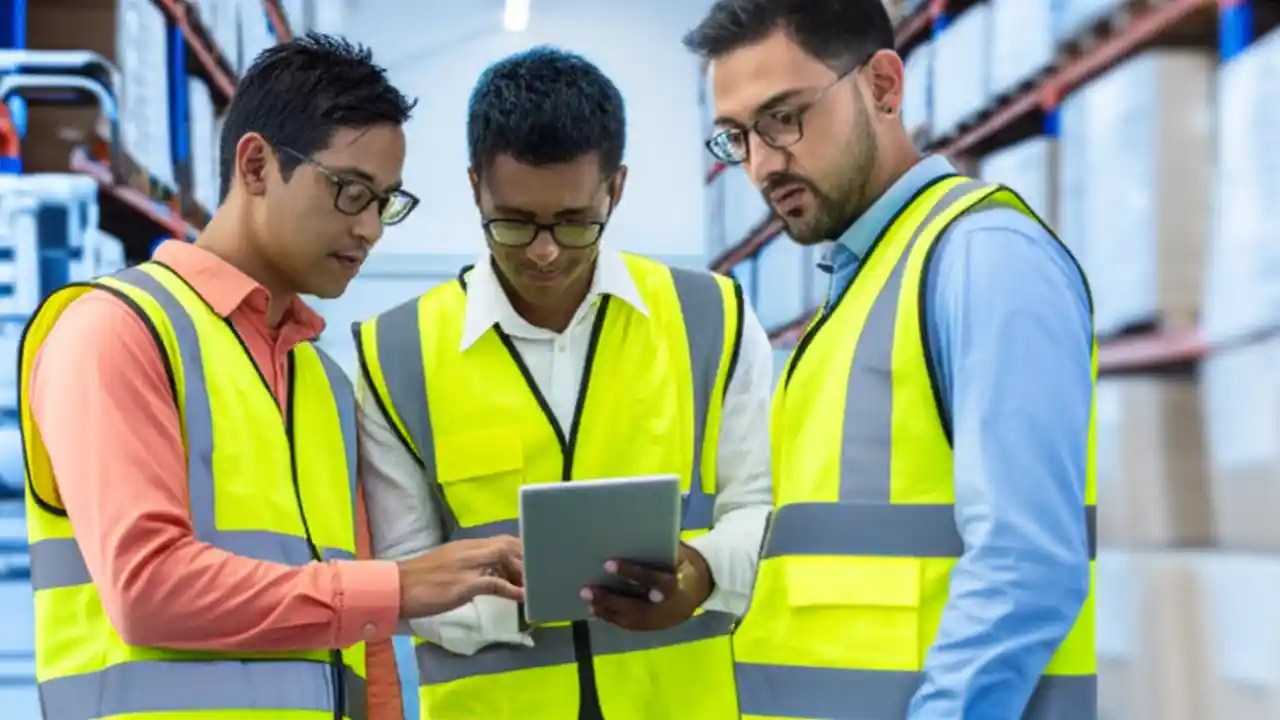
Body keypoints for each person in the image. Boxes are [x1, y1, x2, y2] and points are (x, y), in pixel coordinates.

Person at [19, 32, 524, 720]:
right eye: (351, 191)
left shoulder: (321, 379)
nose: (372, 228)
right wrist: (396, 588)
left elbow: (365, 645)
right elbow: (146, 589)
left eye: (386, 202)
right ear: (256, 165)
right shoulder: (118, 333)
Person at [683, 2, 1097, 719]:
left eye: (784, 117)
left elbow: (1027, 569)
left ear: (883, 86)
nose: (761, 164)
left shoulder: (982, 257)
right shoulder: (860, 287)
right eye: (736, 138)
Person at [353, 46, 774, 720]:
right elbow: (407, 571)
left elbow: (762, 510)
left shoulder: (713, 319)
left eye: (575, 222)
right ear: (474, 187)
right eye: (513, 223)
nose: (545, 251)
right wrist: (532, 599)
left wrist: (703, 573)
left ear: (617, 187)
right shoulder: (393, 354)